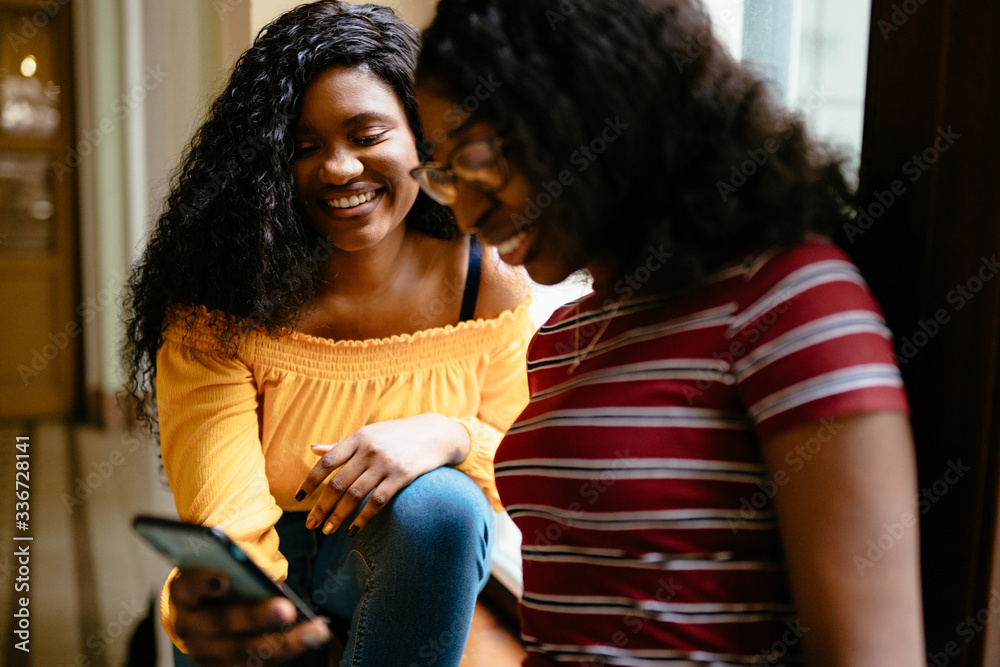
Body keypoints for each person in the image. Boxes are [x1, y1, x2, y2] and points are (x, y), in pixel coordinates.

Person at [412, 0, 925, 664]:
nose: (468, 214)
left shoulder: (789, 300)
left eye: (480, 161)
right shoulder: (563, 339)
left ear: (589, 111)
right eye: (446, 175)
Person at [123, 2, 534, 665]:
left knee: (445, 503)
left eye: (366, 134)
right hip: (263, 567)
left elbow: (519, 472)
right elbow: (228, 515)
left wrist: (448, 434)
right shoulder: (221, 296)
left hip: (407, 570)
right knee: (228, 601)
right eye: (304, 147)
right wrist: (263, 623)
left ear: (424, 139)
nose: (339, 168)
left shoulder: (485, 279)